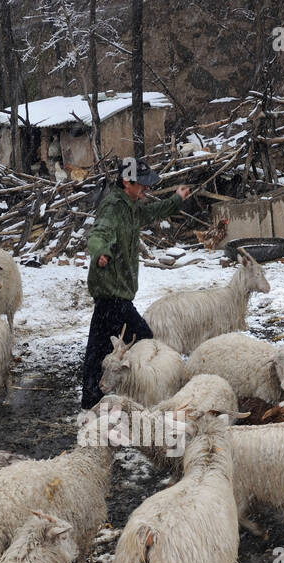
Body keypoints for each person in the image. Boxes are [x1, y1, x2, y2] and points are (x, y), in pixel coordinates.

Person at [80, 158, 191, 408]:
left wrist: (176, 200)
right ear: (127, 182)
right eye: (142, 185)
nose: (146, 190)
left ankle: (93, 398)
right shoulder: (113, 207)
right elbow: (98, 233)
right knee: (142, 336)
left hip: (117, 291)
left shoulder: (130, 206)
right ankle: (131, 391)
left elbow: (152, 212)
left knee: (98, 347)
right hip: (111, 291)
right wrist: (102, 253)